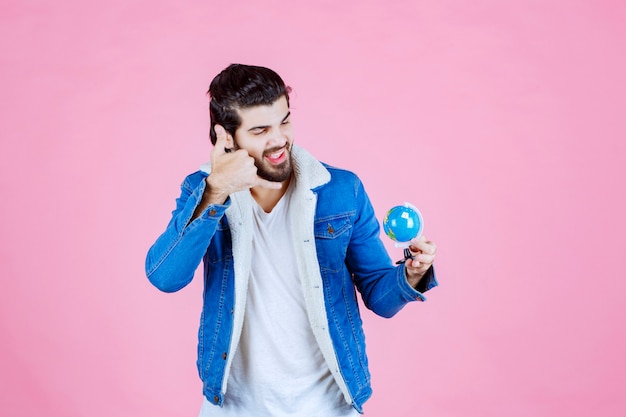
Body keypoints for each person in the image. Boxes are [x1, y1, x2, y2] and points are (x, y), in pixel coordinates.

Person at [145, 64, 438, 416]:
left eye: (284, 121)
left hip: (330, 406)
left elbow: (380, 296)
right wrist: (217, 190)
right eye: (260, 130)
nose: (279, 139)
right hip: (234, 408)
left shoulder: (342, 191)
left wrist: (411, 274)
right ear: (226, 137)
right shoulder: (202, 190)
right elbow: (165, 277)